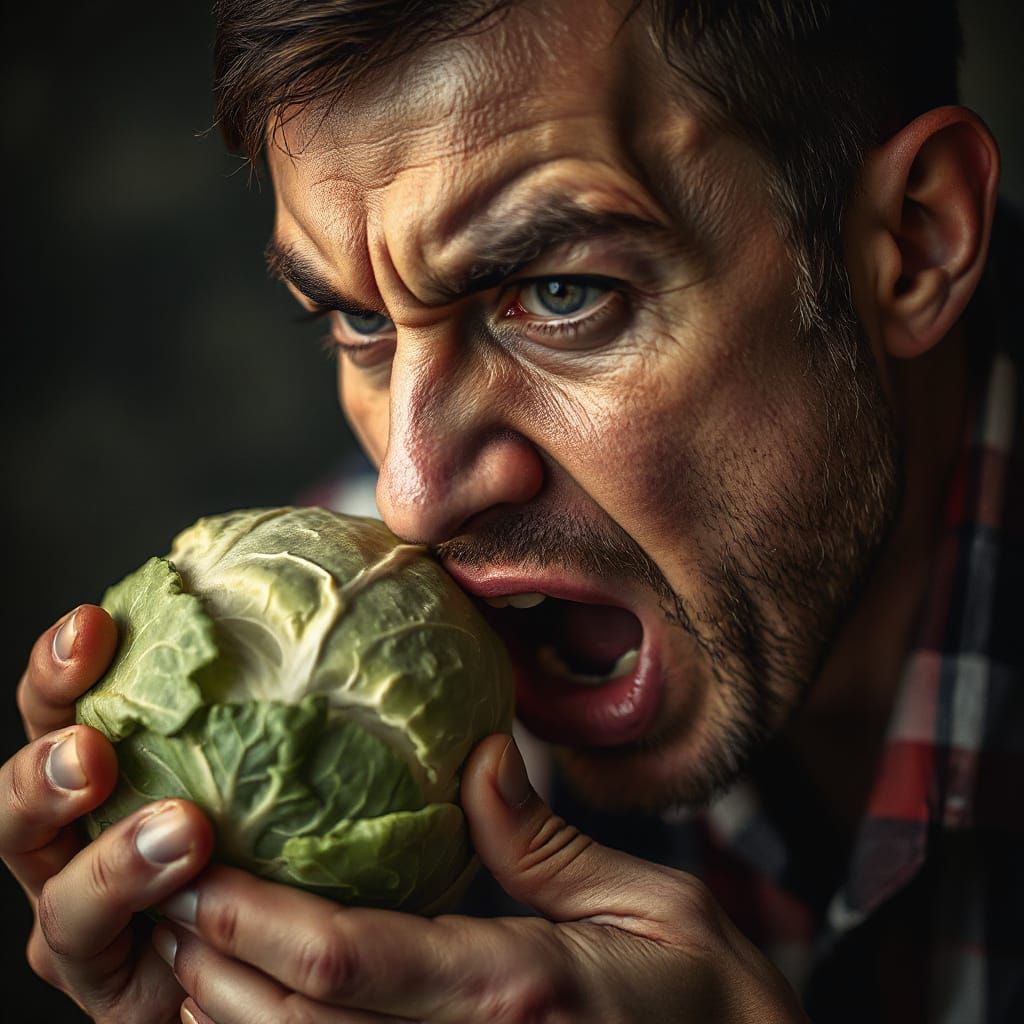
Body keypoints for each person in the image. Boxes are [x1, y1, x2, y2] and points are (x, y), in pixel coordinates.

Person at [2, 1, 1020, 1020]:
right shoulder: (326, 644)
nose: (412, 497)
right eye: (360, 319)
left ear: (914, 241)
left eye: (562, 293)